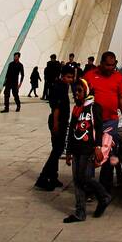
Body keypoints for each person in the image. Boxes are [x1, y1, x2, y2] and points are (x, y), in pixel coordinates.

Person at [62, 79, 111, 222]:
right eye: (75, 91)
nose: (76, 94)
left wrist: (97, 147)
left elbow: (98, 128)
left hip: (88, 149)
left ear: (86, 91)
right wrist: (68, 151)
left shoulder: (94, 107)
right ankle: (80, 212)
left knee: (86, 178)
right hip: (76, 149)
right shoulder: (76, 109)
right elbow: (71, 130)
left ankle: (104, 196)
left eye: (79, 91)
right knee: (77, 181)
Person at [82, 51, 122, 192]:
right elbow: (82, 97)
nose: (110, 68)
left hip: (111, 122)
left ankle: (105, 186)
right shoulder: (89, 76)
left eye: (113, 65)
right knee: (90, 153)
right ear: (101, 63)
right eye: (108, 65)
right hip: (93, 122)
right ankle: (88, 187)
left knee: (110, 153)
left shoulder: (118, 77)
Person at [35, 63, 74, 191]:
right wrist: (56, 125)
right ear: (62, 76)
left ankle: (53, 176)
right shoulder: (60, 87)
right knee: (57, 150)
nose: (70, 79)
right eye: (68, 77)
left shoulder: (62, 86)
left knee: (56, 149)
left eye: (72, 77)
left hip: (60, 121)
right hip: (58, 122)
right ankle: (43, 178)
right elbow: (56, 108)